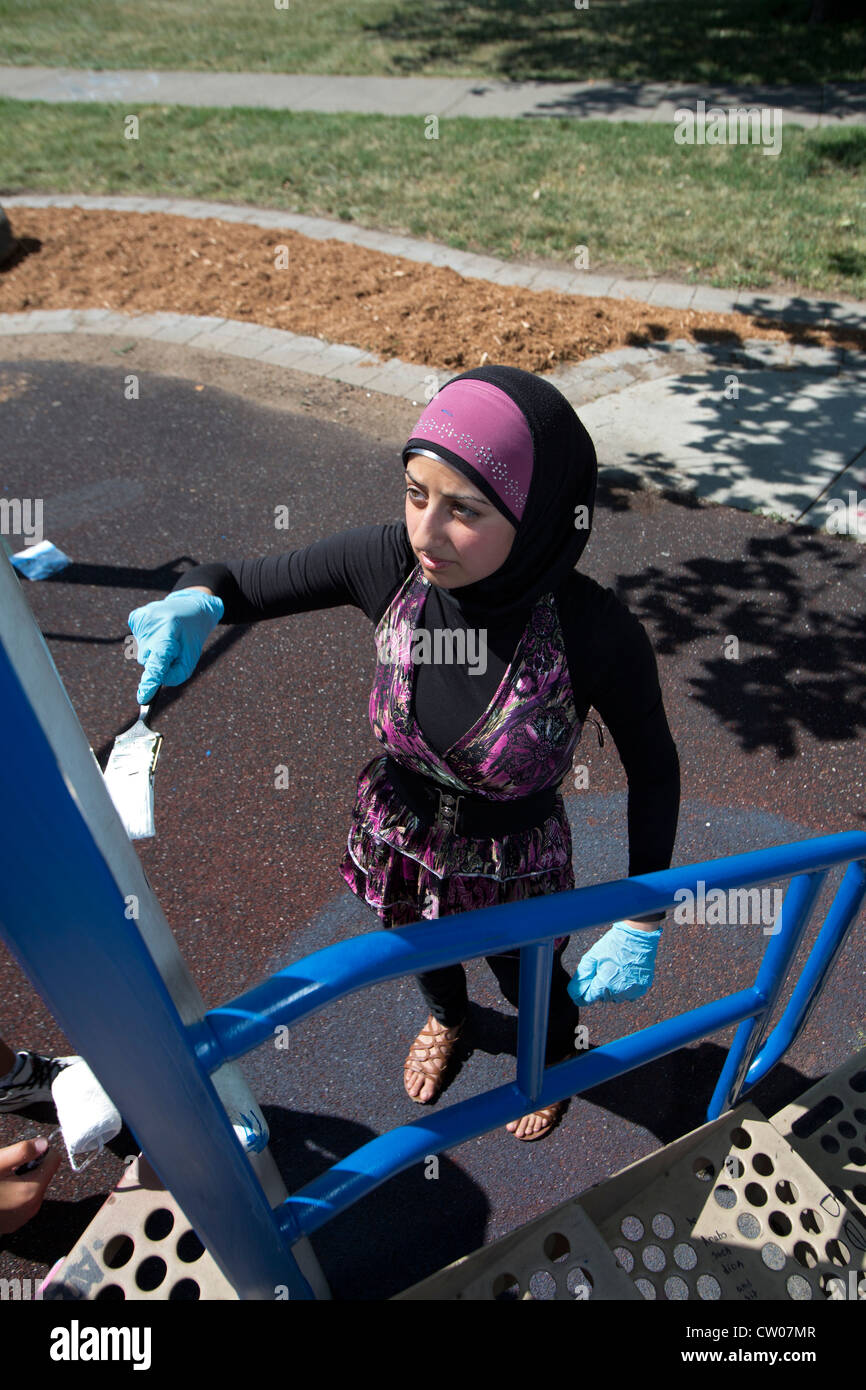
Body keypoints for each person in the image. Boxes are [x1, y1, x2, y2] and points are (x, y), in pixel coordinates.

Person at [128, 364, 680, 1141]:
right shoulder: (391, 564)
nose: (426, 532)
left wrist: (644, 915)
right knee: (419, 947)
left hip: (514, 860)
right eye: (416, 494)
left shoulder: (594, 631)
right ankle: (450, 1019)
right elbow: (240, 583)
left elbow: (654, 769)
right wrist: (196, 599)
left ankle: (552, 1054)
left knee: (528, 978)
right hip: (402, 834)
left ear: (537, 516)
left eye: (466, 510)